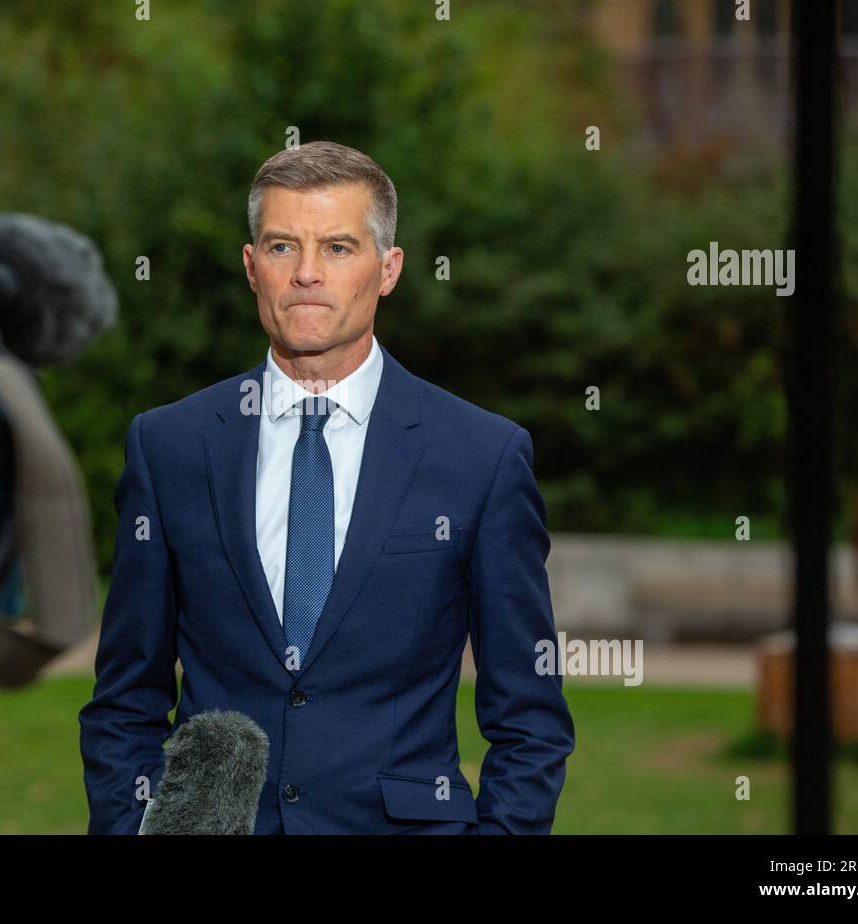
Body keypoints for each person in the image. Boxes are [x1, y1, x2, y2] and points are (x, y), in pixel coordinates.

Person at [80, 140, 574, 834]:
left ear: (389, 268)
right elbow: (125, 700)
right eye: (283, 247)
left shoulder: (480, 456)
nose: (307, 273)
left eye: (338, 248)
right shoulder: (169, 447)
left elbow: (529, 717)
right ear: (252, 268)